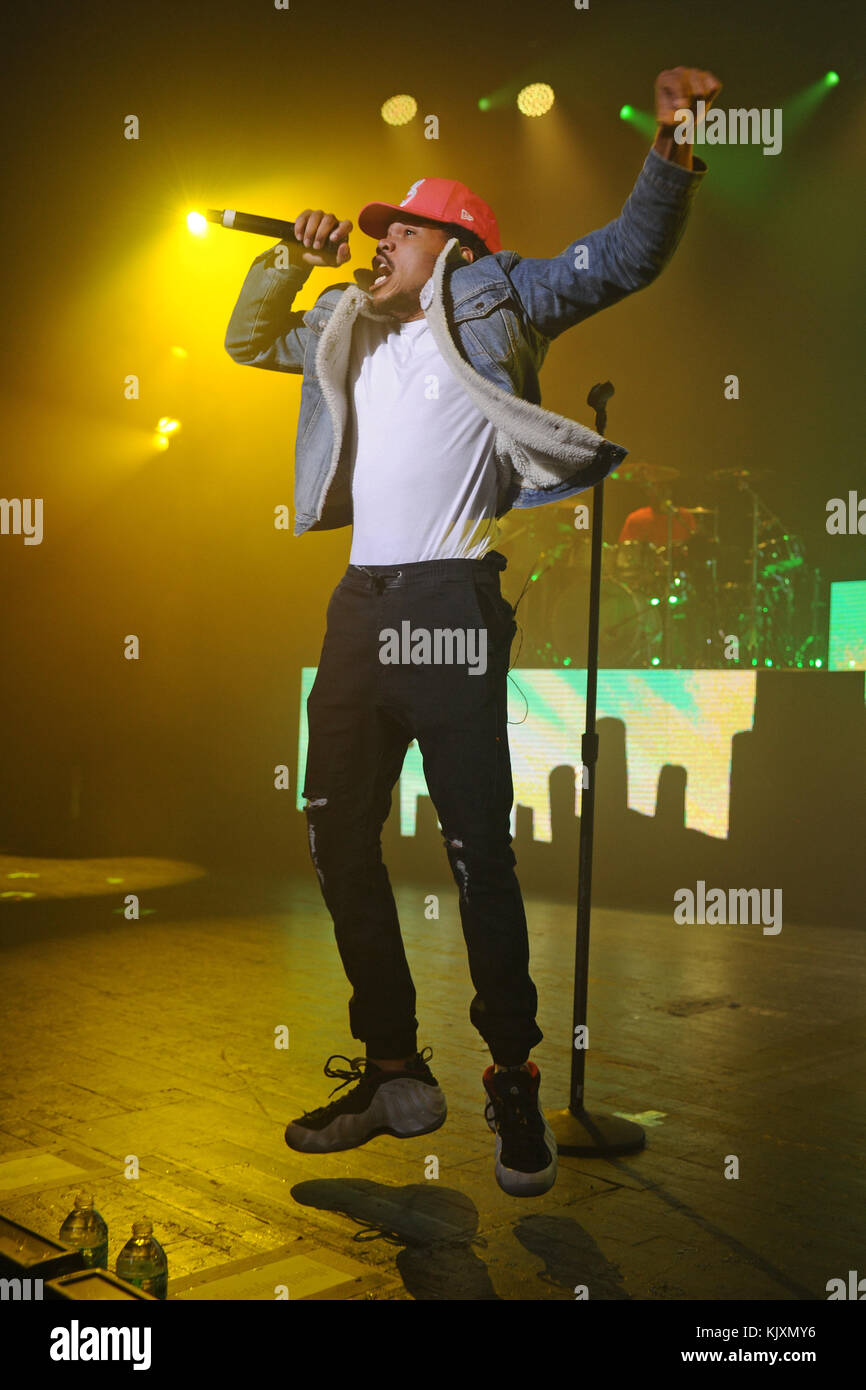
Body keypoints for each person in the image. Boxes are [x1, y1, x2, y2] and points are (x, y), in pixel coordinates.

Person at [225, 66, 720, 1198]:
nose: (376, 244)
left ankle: (511, 1074)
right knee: (333, 834)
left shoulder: (500, 297)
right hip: (360, 609)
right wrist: (289, 260)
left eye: (396, 230)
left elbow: (627, 254)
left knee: (473, 852)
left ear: (449, 242)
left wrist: (671, 141)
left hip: (448, 605)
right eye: (371, 232)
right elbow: (251, 342)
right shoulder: (348, 328)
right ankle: (394, 1069)